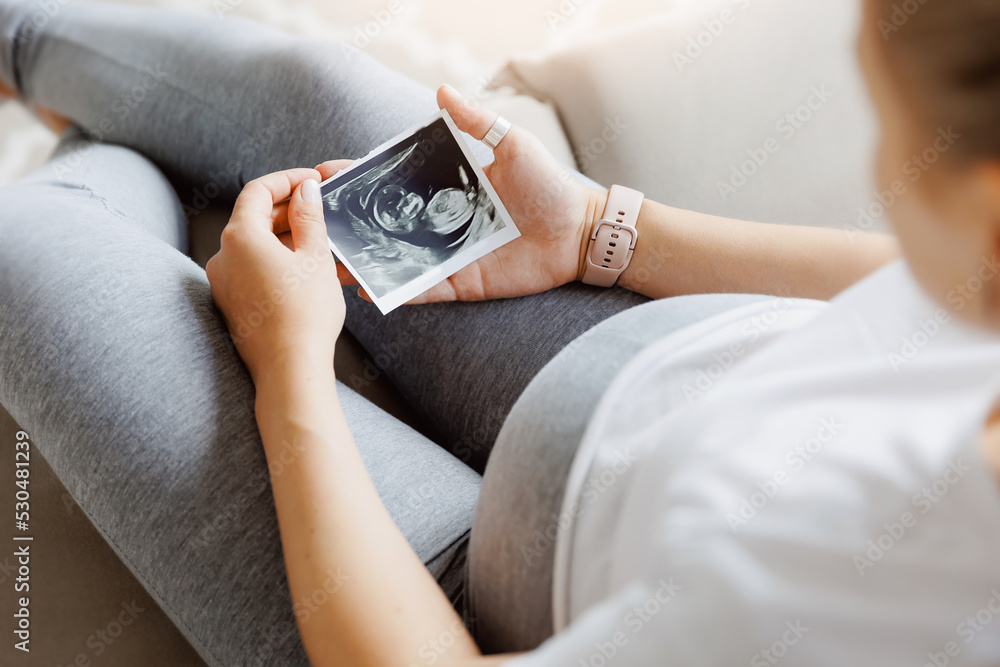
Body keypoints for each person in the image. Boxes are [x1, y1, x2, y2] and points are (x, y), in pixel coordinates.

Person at [0, 1, 996, 665]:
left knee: (29, 250)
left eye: (885, 120)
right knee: (318, 94)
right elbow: (901, 280)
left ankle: (114, 171)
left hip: (455, 598)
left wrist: (289, 369)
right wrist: (604, 230)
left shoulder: (867, 603)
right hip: (648, 358)